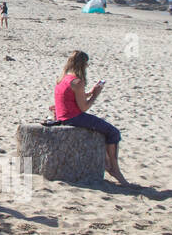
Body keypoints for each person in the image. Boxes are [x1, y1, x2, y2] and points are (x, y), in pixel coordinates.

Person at [52, 50, 128, 185]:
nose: (87, 67)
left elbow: (73, 98)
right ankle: (114, 169)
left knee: (102, 130)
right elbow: (84, 107)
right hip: (73, 117)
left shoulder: (62, 78)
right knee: (113, 132)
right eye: (86, 64)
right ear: (82, 65)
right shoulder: (77, 82)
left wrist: (90, 92)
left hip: (62, 116)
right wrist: (95, 95)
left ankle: (106, 162)